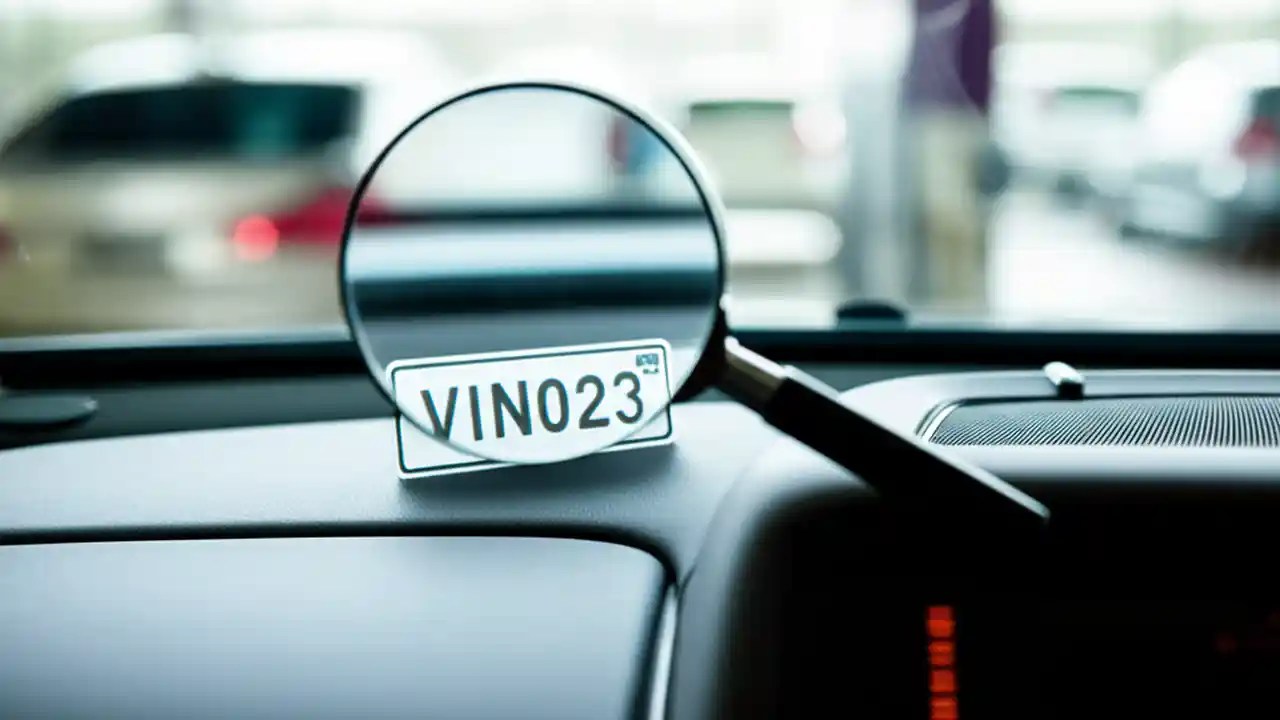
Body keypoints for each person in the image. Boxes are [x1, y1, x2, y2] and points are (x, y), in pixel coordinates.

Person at [902, 0, 998, 314]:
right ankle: (944, 301)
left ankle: (964, 305)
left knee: (957, 220)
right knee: (937, 219)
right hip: (927, 117)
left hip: (959, 118)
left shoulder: (976, 8)